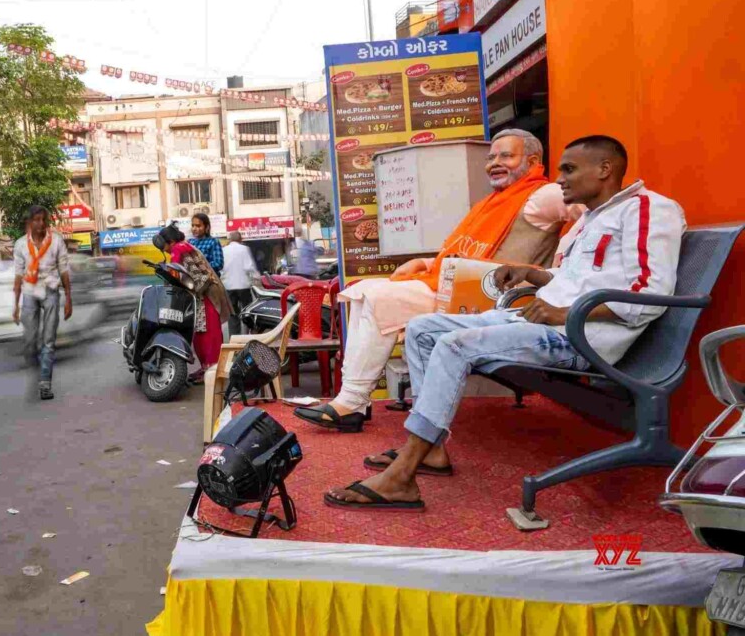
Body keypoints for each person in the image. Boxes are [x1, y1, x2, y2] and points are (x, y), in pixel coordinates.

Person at [323, 135, 685, 510]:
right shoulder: (592, 218)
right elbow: (575, 280)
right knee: (423, 328)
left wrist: (564, 313)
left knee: (454, 345)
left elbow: (649, 295)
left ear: (605, 170)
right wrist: (530, 274)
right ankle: (433, 448)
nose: (559, 179)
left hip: (580, 338)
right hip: (543, 323)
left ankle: (402, 476)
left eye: (569, 169)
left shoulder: (646, 209)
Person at [296, 129, 581, 432]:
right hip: (461, 286)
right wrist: (424, 262)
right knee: (363, 292)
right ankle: (353, 401)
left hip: (491, 298)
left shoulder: (541, 194)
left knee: (379, 298)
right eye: (491, 157)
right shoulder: (494, 202)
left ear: (533, 160)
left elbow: (590, 208)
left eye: (506, 156)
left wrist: (566, 259)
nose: (495, 163)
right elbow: (463, 254)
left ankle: (351, 403)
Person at [158, 222, 232, 384]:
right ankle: (208, 368)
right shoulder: (183, 247)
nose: (164, 249)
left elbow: (195, 277)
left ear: (170, 242)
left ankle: (213, 371)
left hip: (206, 295)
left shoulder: (179, 249)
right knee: (201, 333)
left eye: (164, 245)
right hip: (201, 294)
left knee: (207, 334)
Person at [12, 205, 72, 401]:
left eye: (43, 220)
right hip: (29, 292)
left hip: (51, 290)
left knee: (48, 340)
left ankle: (45, 382)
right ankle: (37, 368)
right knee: (29, 341)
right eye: (36, 220)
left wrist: (68, 298)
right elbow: (18, 275)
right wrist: (15, 304)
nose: (40, 224)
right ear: (30, 223)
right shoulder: (21, 245)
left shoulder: (56, 242)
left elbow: (63, 269)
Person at [221, 230, 259, 335]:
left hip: (228, 286)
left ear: (230, 239)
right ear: (240, 240)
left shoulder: (224, 250)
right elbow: (249, 267)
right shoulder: (244, 249)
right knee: (247, 312)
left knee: (232, 314)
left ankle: (234, 338)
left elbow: (221, 268)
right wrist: (257, 277)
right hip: (243, 286)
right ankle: (248, 335)